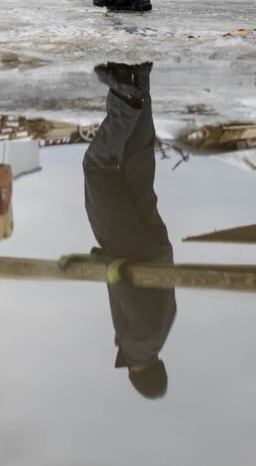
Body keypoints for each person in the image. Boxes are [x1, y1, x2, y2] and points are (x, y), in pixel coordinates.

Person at [81, 61, 175, 400]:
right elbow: (127, 291)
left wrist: (94, 261)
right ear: (139, 377)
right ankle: (127, 98)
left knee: (136, 163)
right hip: (131, 250)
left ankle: (138, 81)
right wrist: (107, 266)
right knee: (98, 170)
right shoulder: (141, 345)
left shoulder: (162, 335)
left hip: (156, 249)